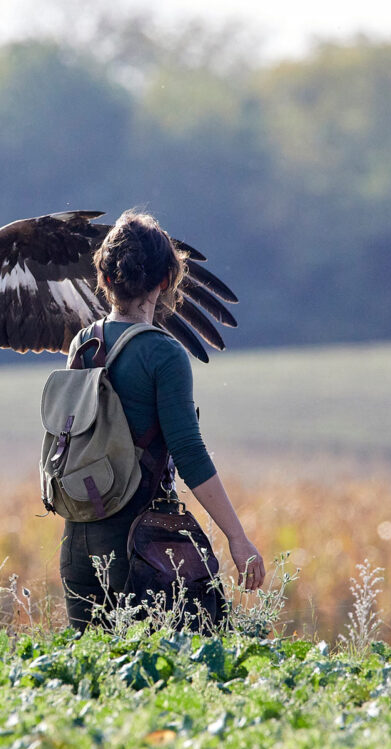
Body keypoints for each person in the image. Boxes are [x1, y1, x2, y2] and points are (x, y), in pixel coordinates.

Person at [59, 210, 266, 630]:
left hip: (77, 544)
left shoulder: (85, 343)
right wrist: (237, 538)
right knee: (179, 672)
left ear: (106, 278)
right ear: (167, 281)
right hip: (138, 547)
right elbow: (189, 454)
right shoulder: (163, 354)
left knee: (90, 682)